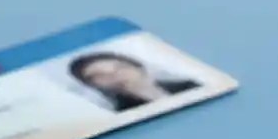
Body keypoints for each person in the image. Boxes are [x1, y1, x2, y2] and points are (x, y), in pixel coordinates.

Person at [68, 52, 200, 112]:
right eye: (99, 75)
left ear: (138, 67)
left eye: (119, 67)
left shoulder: (190, 85)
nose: (115, 75)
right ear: (94, 85)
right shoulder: (120, 114)